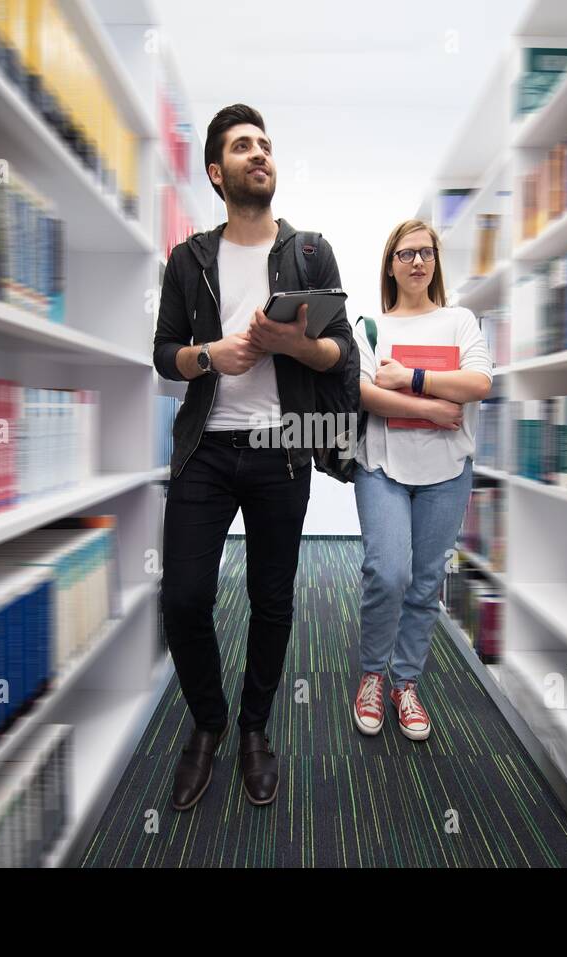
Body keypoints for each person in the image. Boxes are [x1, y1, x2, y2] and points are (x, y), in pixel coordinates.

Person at [152, 104, 353, 809]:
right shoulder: (189, 259)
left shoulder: (309, 251)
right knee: (183, 598)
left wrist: (290, 345)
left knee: (272, 599)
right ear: (217, 171)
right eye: (243, 146)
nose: (259, 153)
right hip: (205, 449)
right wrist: (213, 354)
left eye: (265, 143)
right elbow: (164, 357)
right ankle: (208, 721)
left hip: (282, 449)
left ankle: (256, 728)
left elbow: (341, 357)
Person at [350, 220, 492, 740]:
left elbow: (477, 383)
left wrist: (408, 379)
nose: (417, 262)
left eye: (425, 253)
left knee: (427, 582)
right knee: (388, 573)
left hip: (447, 471)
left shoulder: (460, 320)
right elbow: (365, 394)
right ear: (390, 264)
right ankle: (372, 673)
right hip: (381, 464)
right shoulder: (370, 326)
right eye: (405, 253)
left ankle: (404, 682)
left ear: (435, 261)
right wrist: (436, 408)